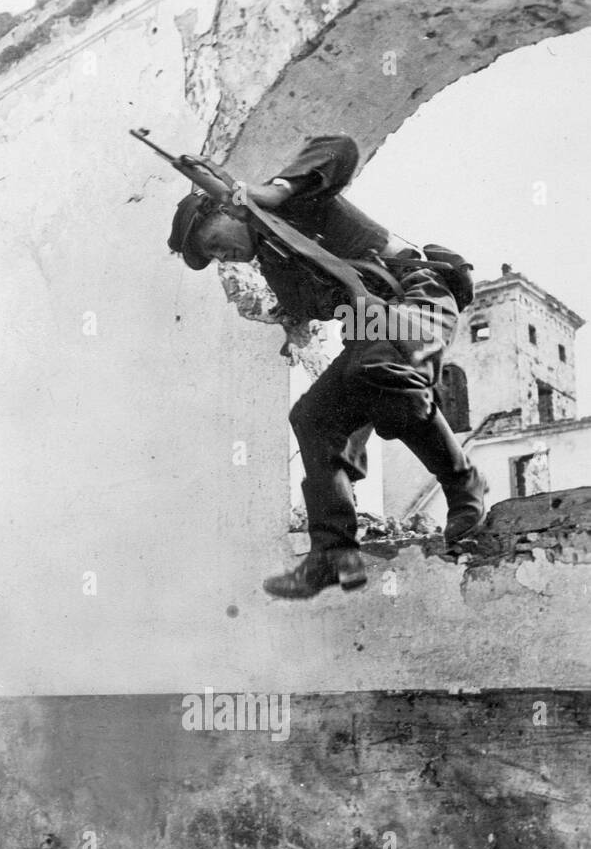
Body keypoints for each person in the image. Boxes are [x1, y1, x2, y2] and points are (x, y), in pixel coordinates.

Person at [167, 134, 487, 599]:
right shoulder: (278, 266)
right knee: (313, 417)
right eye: (213, 257)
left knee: (373, 367)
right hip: (367, 320)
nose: (223, 256)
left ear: (227, 212)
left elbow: (339, 147)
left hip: (413, 293)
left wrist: (275, 190)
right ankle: (334, 552)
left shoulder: (295, 206)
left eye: (214, 243)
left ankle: (463, 486)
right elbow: (310, 306)